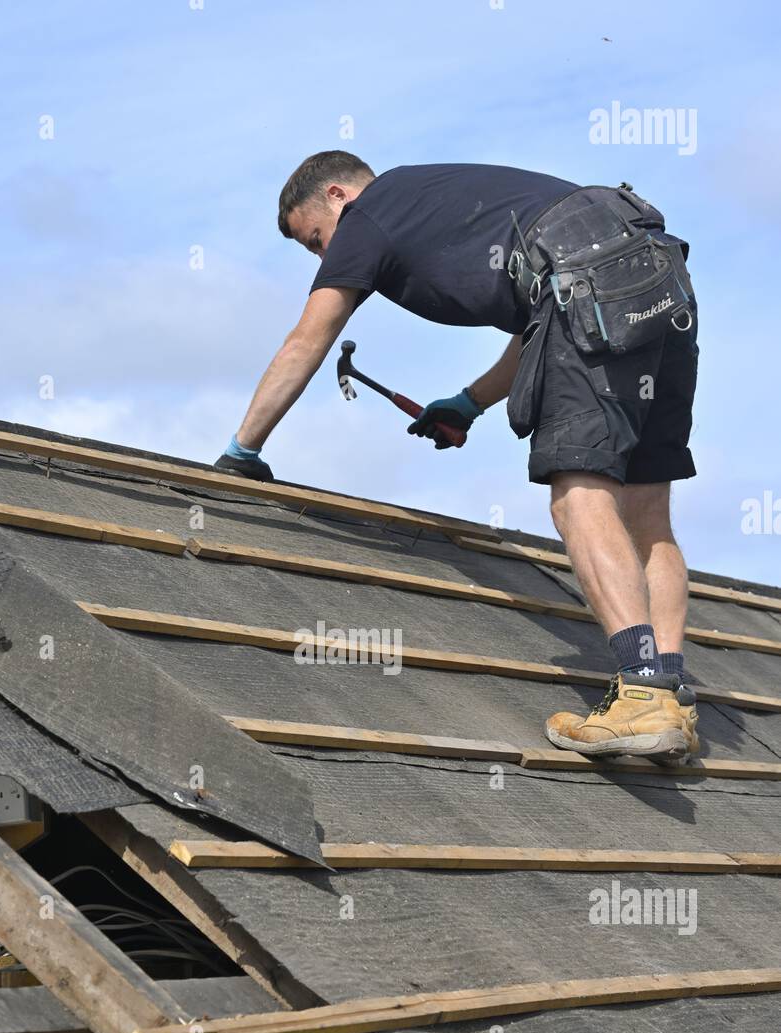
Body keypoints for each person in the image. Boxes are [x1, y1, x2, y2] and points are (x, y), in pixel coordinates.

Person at [216, 152, 699, 761]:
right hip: (657, 277)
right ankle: (672, 699)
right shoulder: (443, 195)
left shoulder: (369, 215)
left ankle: (642, 692)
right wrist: (469, 404)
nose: (324, 258)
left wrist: (243, 450)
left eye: (316, 240)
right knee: (647, 509)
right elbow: (550, 319)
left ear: (338, 196)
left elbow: (307, 340)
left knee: (579, 494)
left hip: (586, 283)